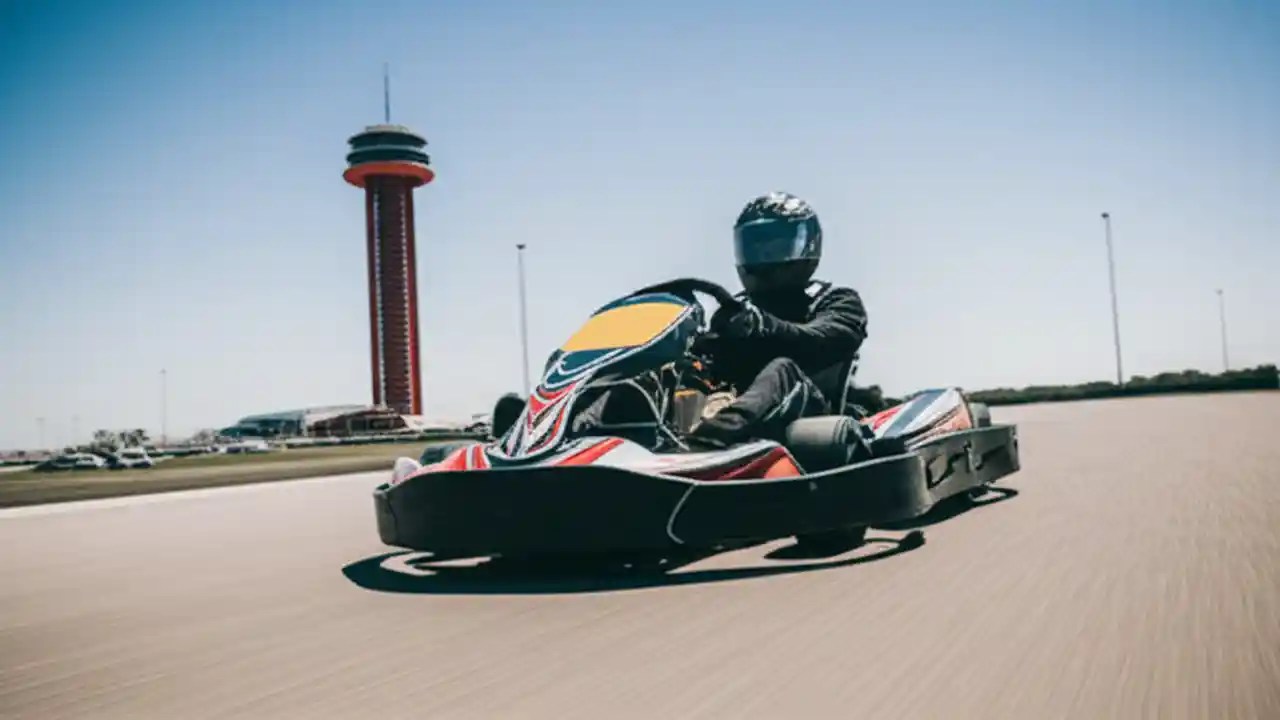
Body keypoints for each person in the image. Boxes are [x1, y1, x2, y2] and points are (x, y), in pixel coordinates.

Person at [686, 191, 869, 448]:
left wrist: (763, 325)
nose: (764, 256)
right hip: (735, 409)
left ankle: (705, 442)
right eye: (755, 245)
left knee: (782, 368)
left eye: (775, 246)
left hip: (811, 423)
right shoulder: (735, 312)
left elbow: (822, 340)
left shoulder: (838, 300)